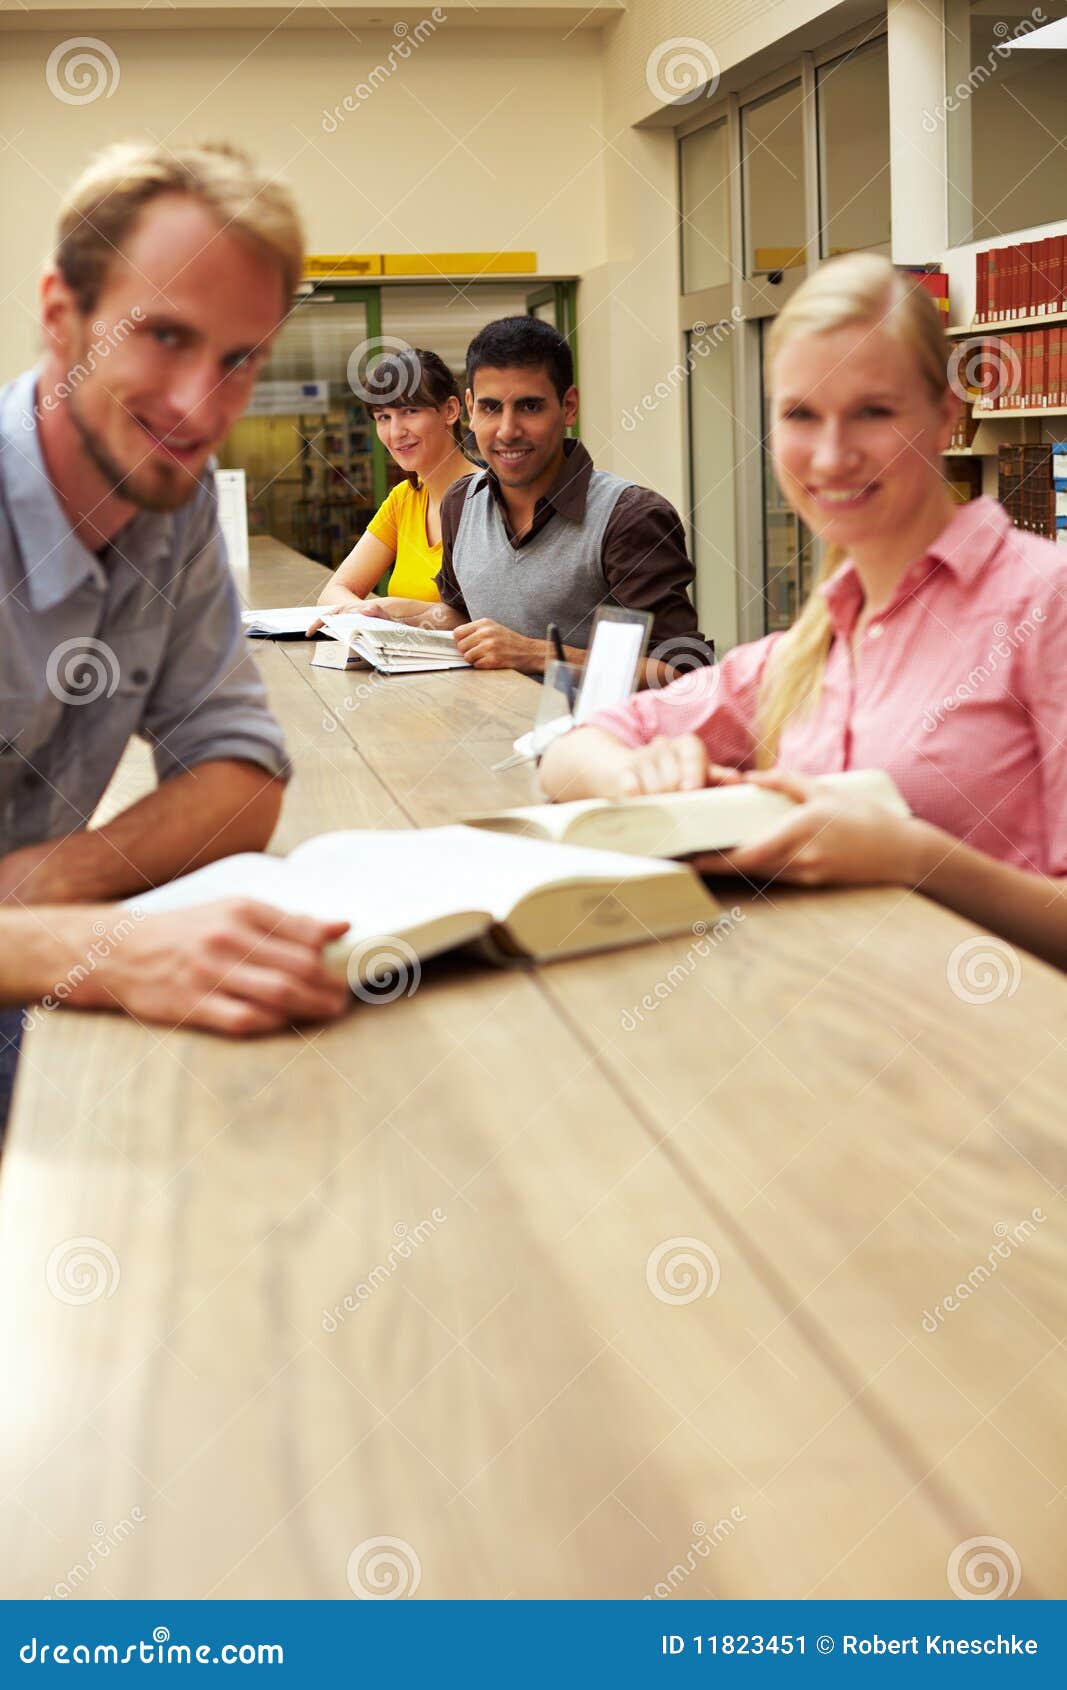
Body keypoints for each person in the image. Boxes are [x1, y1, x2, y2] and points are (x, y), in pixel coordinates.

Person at [539, 251, 1067, 970]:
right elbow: (567, 753)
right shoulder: (810, 647)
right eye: (799, 414)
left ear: (947, 413)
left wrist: (911, 856)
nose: (828, 455)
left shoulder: (1046, 604)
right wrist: (641, 778)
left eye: (872, 412)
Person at [0, 138, 350, 1124]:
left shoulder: (170, 505)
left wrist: (54, 884)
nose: (202, 408)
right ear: (64, 316)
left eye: (238, 358)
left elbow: (241, 772)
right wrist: (96, 945)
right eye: (163, 336)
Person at [362, 316, 713, 681]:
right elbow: (463, 616)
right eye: (490, 407)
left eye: (530, 407)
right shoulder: (460, 504)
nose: (507, 430)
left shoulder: (629, 517)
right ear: (469, 409)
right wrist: (396, 620)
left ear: (569, 406)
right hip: (478, 730)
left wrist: (536, 653)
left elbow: (682, 668)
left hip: (588, 736)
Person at [308, 348, 471, 627]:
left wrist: (394, 608)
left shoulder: (490, 499)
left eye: (410, 411)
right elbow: (333, 592)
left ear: (451, 410)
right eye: (383, 417)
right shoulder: (404, 499)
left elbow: (491, 620)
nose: (395, 432)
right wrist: (373, 613)